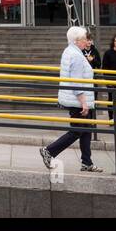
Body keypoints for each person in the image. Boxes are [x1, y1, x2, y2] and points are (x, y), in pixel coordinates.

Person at [40, 26, 102, 173]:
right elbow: (75, 81)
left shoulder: (71, 52)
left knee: (86, 130)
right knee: (77, 131)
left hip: (77, 98)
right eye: (84, 39)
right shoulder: (76, 55)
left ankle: (87, 162)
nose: (86, 41)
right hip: (78, 100)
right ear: (76, 41)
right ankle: (49, 151)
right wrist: (84, 103)